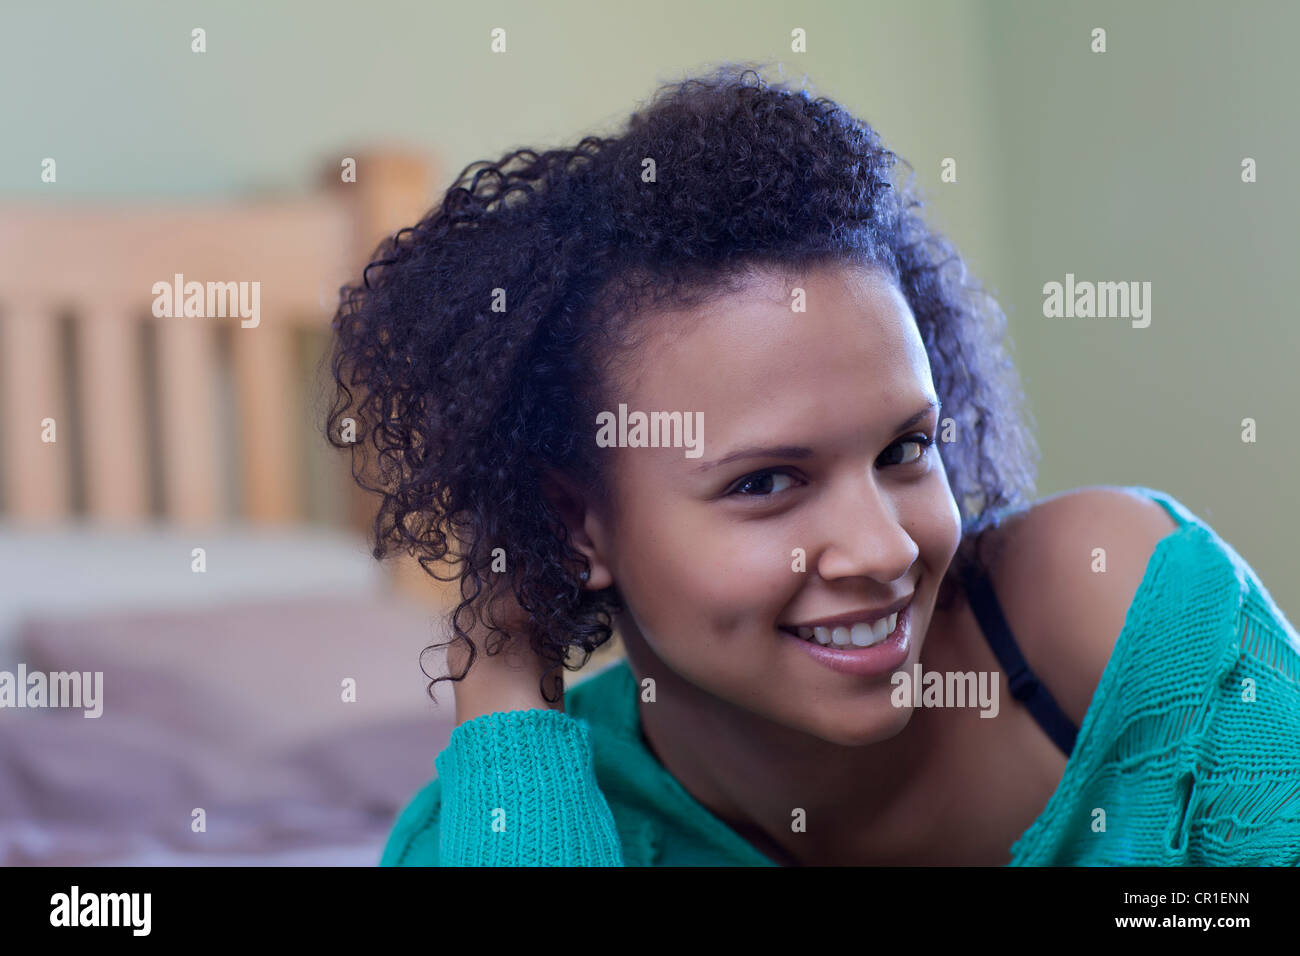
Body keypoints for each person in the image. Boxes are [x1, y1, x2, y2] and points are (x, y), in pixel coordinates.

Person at [324, 65, 1300, 866]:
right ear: (577, 524)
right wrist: (504, 684)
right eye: (763, 482)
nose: (882, 548)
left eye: (903, 450)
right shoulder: (492, 828)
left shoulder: (1125, 615)